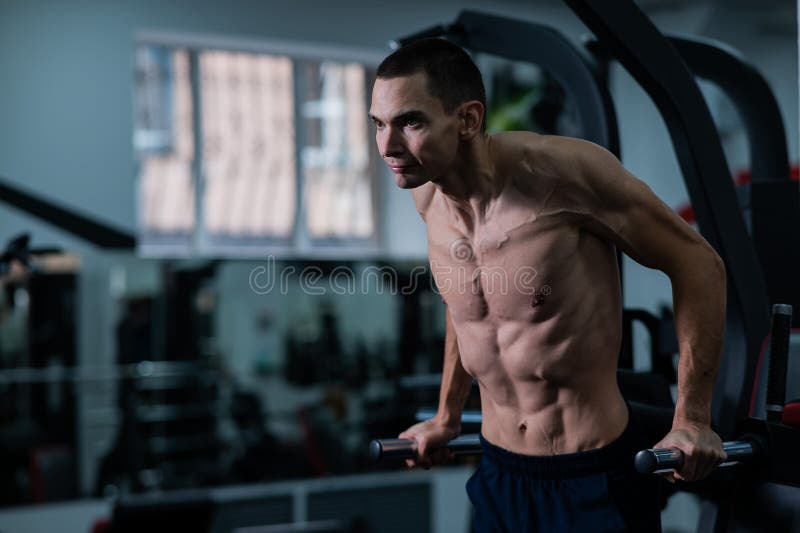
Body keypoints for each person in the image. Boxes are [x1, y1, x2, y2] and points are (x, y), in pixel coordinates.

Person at [369, 38, 727, 532]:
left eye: (411, 122)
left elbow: (698, 263)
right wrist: (446, 415)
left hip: (590, 474)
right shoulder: (428, 198)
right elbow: (466, 307)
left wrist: (692, 418)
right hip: (499, 473)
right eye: (378, 124)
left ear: (469, 119)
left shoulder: (562, 177)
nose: (387, 147)